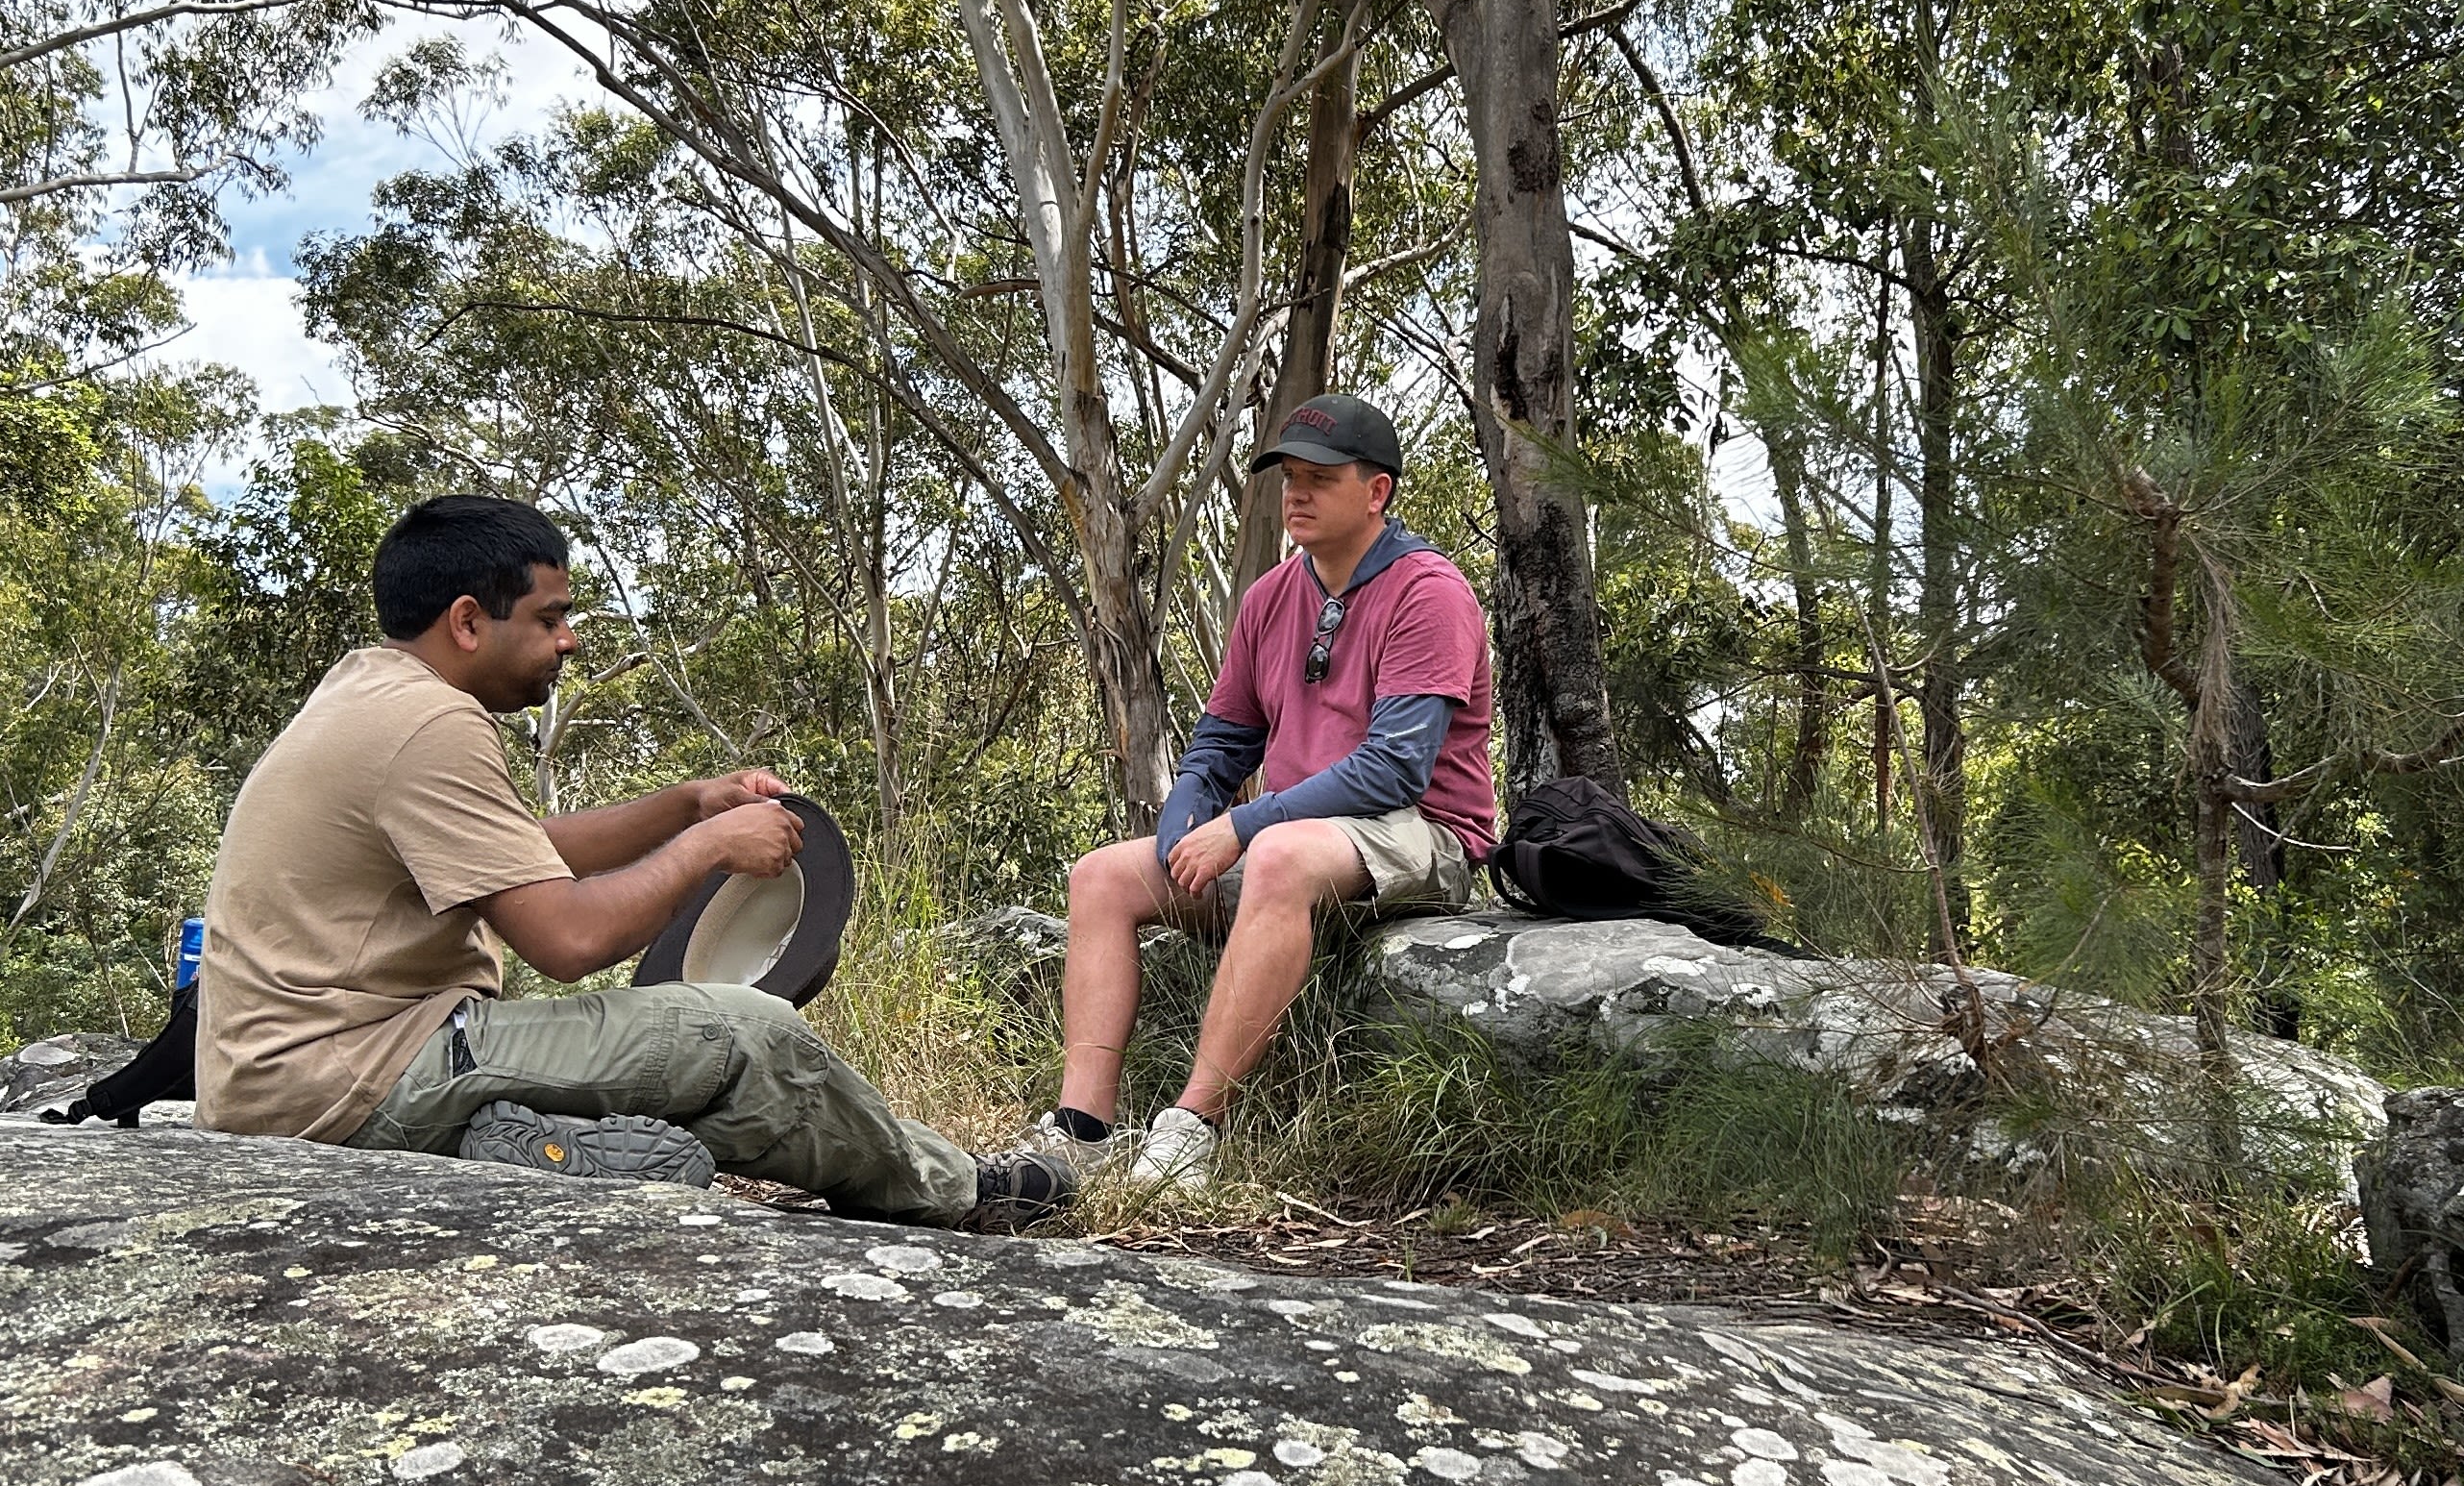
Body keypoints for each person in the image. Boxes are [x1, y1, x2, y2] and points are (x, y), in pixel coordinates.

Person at [195, 494, 1067, 1230]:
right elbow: (568, 940)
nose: (569, 640)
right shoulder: (433, 726)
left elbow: (522, 846)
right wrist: (710, 848)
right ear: (468, 620)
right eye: (549, 617)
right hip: (352, 1083)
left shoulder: (371, 691)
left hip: (282, 1083)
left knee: (710, 1063)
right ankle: (954, 1192)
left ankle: (532, 1143)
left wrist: (689, 803)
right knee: (747, 1033)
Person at [1021, 393, 1494, 1195]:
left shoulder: (1429, 593)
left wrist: (1244, 822)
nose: (1297, 494)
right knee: (1100, 876)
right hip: (1303, 839)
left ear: (1376, 492)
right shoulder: (1271, 597)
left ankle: (1190, 1132)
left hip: (1421, 833)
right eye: (1288, 478)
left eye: (1319, 478)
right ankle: (1081, 1133)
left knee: (1275, 852)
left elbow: (1396, 769)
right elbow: (1224, 739)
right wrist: (1186, 808)